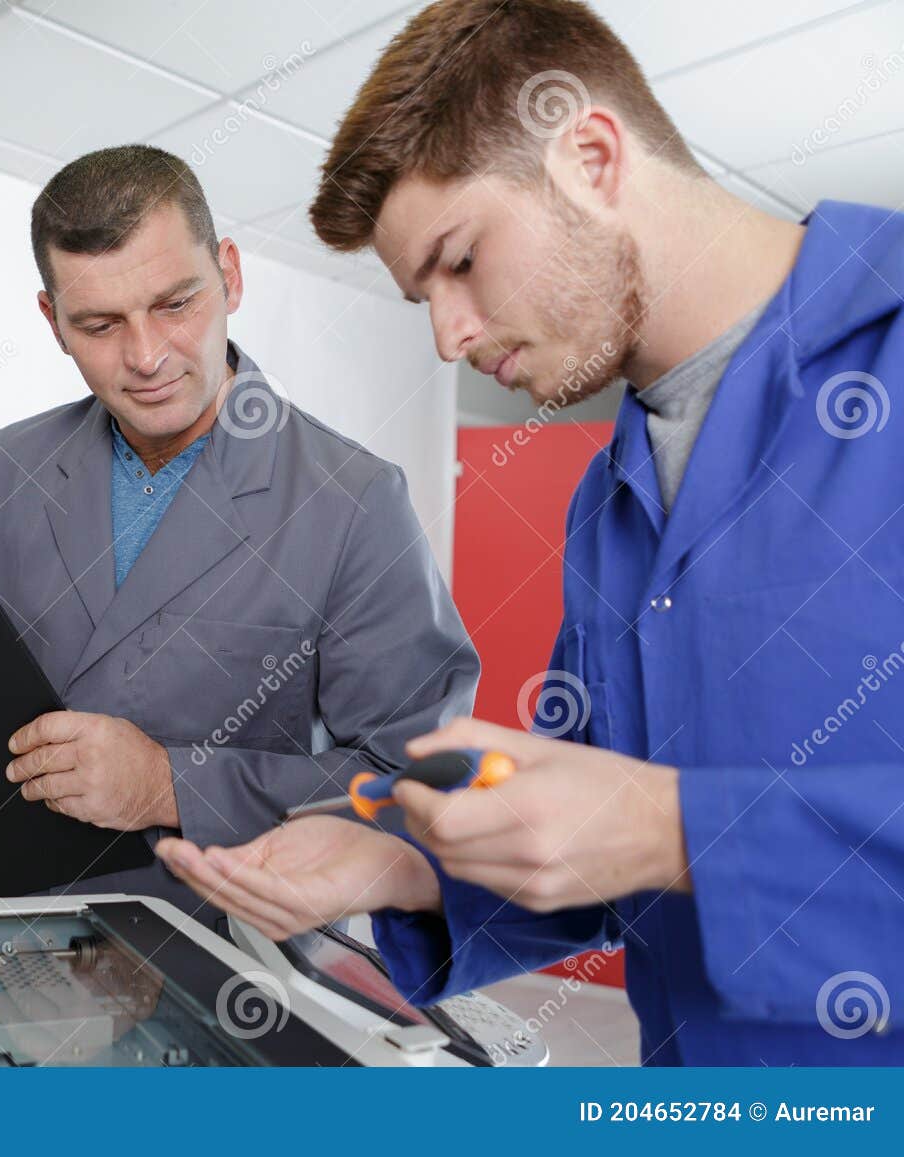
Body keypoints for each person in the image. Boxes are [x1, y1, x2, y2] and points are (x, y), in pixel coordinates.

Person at [160, 0, 904, 1065]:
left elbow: (652, 829)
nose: (449, 335)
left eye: (458, 261)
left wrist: (678, 828)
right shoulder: (608, 503)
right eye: (422, 294)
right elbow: (605, 855)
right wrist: (402, 868)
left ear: (592, 157)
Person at [0, 145, 480, 922]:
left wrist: (169, 783)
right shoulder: (11, 465)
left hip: (200, 955)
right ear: (53, 322)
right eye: (100, 324)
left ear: (231, 276)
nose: (145, 357)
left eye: (176, 304)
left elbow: (414, 787)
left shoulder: (355, 502)